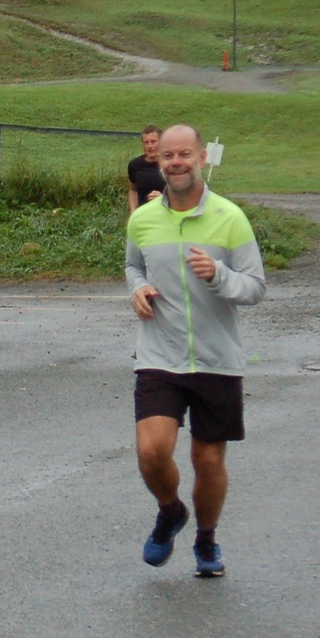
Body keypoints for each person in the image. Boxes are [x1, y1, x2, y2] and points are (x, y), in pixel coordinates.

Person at [125, 124, 267, 578]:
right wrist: (139, 287)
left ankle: (207, 541)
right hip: (159, 355)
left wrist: (219, 275)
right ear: (158, 161)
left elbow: (256, 287)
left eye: (185, 154)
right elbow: (132, 265)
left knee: (207, 460)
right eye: (168, 156)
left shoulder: (230, 217)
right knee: (151, 451)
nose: (176, 162)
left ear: (202, 157)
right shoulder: (142, 219)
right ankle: (170, 511)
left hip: (216, 358)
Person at [126, 124, 165, 213]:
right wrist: (133, 210)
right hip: (142, 216)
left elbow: (182, 195)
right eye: (146, 142)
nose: (149, 146)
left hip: (165, 215)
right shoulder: (135, 165)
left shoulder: (170, 165)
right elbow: (133, 190)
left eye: (153, 141)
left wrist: (163, 198)